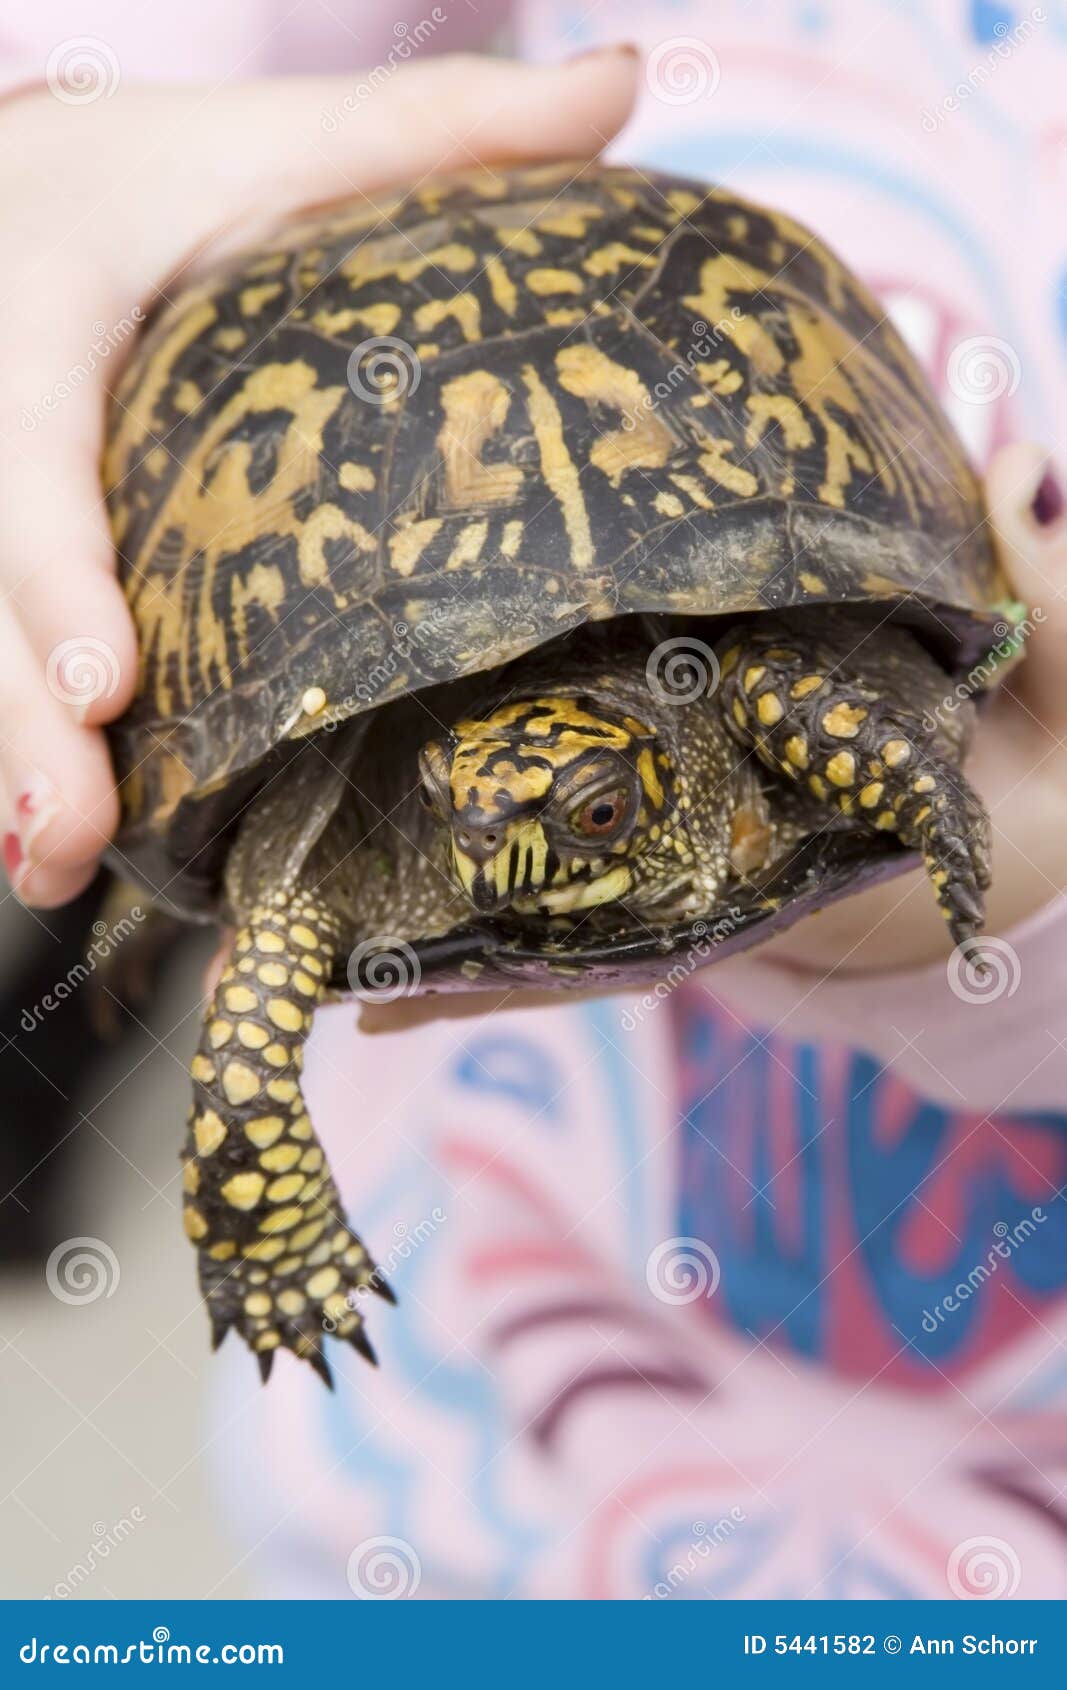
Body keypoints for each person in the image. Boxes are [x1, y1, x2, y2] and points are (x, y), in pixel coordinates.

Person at [1, 3, 1063, 1599]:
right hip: (441, 1485)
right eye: (479, 809)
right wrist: (58, 123)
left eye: (580, 815)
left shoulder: (764, 707)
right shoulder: (406, 817)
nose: (499, 842)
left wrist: (1007, 894)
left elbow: (800, 688)